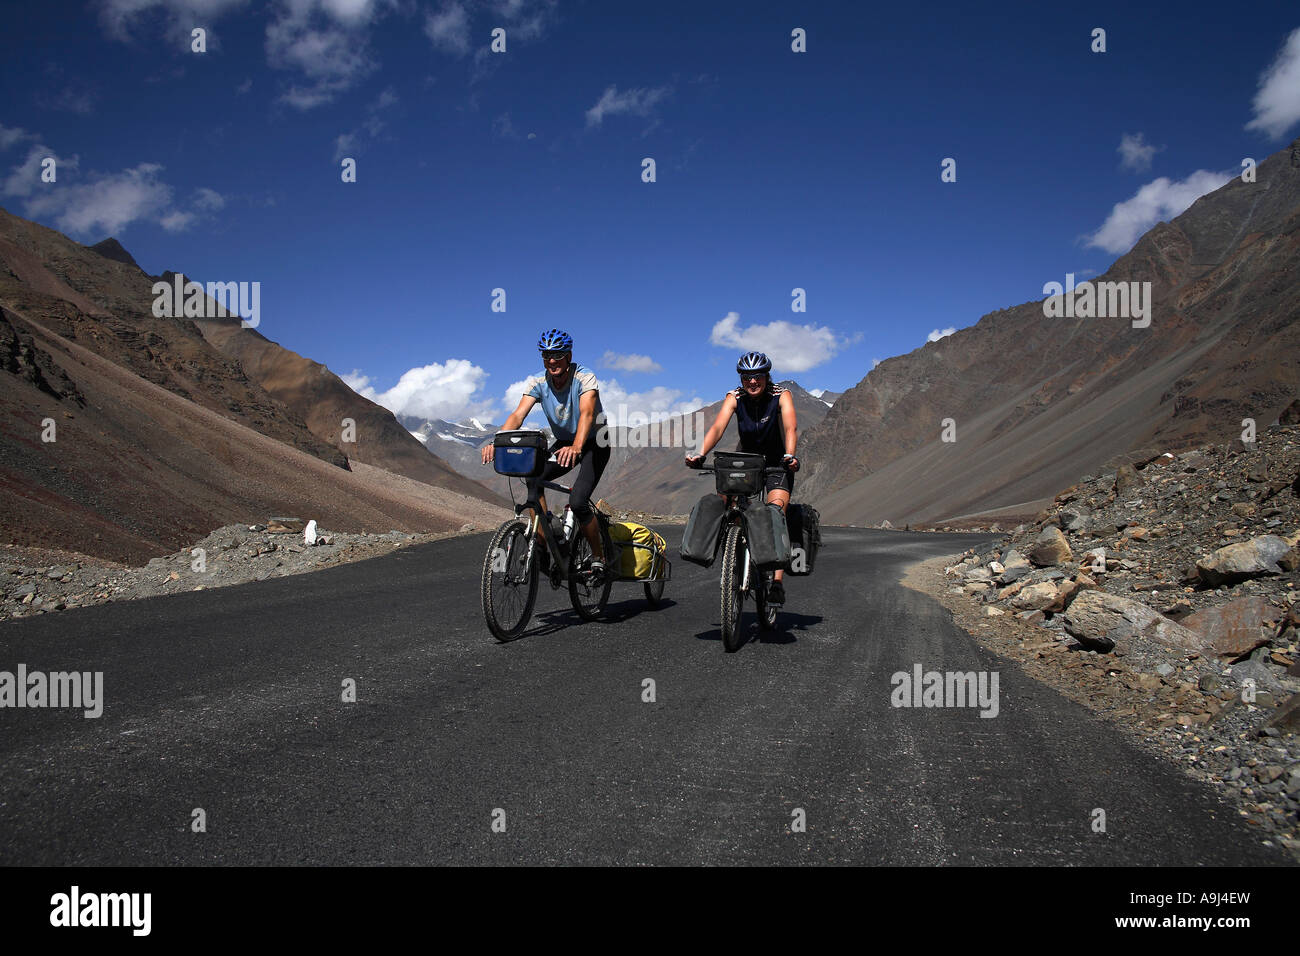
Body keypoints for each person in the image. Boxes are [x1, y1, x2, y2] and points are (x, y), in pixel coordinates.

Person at [482, 329, 609, 576]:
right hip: (564, 442)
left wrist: (577, 446)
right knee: (533, 478)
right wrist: (497, 443)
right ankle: (544, 540)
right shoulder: (538, 383)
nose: (552, 360)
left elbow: (587, 414)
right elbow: (518, 415)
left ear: (568, 356)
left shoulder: (585, 378)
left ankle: (598, 557)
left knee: (579, 501)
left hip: (595, 443)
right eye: (547, 355)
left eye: (558, 355)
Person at [685, 350, 799, 604]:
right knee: (724, 499)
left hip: (777, 462)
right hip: (747, 460)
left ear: (767, 376)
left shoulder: (781, 395)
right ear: (741, 379)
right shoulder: (734, 397)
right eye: (747, 377)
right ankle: (729, 548)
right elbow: (717, 427)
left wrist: (790, 454)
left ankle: (777, 581)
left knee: (775, 512)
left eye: (757, 376)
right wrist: (700, 453)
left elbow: (791, 426)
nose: (752, 382)